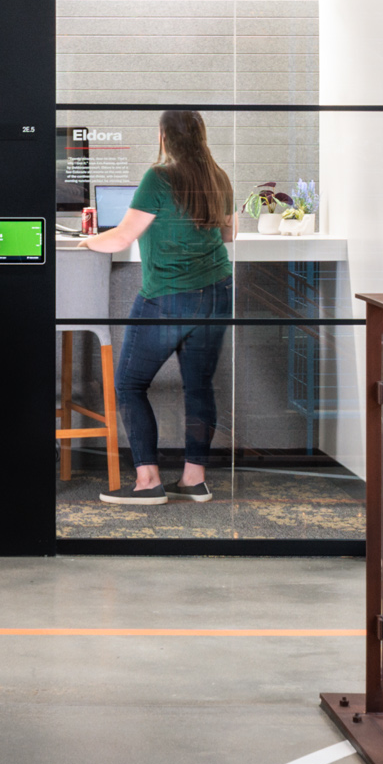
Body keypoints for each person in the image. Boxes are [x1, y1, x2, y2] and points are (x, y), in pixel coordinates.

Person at [79, 109, 235, 506]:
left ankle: (148, 482)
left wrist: (86, 242)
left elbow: (120, 238)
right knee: (199, 384)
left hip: (168, 295)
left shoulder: (159, 177)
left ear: (165, 136)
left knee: (130, 384)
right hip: (217, 290)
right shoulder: (218, 177)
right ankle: (194, 480)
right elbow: (229, 234)